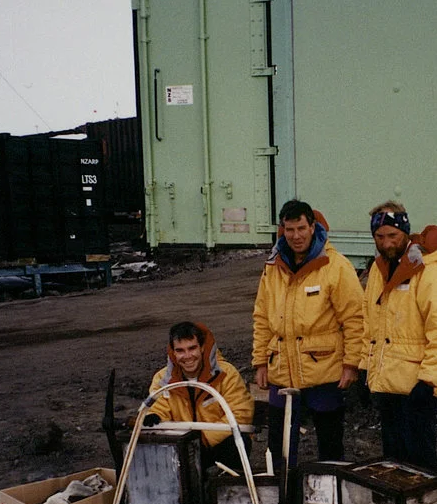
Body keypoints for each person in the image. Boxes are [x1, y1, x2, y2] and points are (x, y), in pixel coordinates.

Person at [252, 199, 365, 466]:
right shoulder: (273, 266)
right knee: (279, 448)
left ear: (312, 227)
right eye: (289, 230)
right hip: (281, 371)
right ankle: (284, 500)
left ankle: (330, 501)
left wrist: (351, 364)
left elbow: (355, 318)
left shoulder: (335, 266)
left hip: (324, 372)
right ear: (282, 230)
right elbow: (261, 317)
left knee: (330, 449)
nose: (296, 236)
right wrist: (259, 361)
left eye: (301, 228)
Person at [361, 201, 437, 469]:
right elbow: (369, 324)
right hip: (386, 383)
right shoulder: (378, 270)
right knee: (392, 461)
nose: (387, 242)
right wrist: (364, 367)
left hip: (416, 386)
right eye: (380, 237)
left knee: (421, 464)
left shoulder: (427, 271)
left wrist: (429, 380)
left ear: (405, 233)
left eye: (393, 235)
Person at [145, 321, 255, 473]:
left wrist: (203, 440)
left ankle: (226, 491)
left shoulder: (226, 374)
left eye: (192, 348)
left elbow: (241, 413)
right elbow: (157, 407)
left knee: (238, 441)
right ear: (173, 352)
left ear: (202, 347)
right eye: (180, 350)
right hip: (182, 449)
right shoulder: (163, 379)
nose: (187, 356)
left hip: (218, 445)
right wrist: (152, 416)